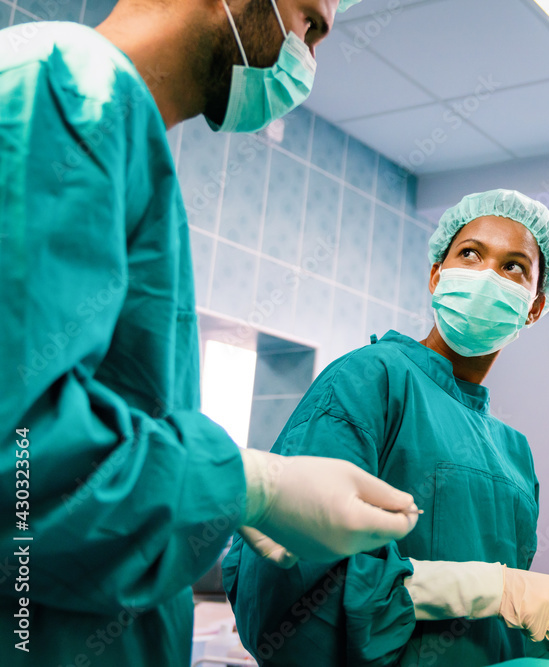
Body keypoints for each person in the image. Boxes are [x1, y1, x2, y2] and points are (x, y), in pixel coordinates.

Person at [0, 1, 417, 665]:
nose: (309, 54)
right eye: (308, 23)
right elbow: (18, 454)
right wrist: (246, 486)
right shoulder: (66, 90)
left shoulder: (104, 120)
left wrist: (220, 494)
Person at [223, 189, 549, 666]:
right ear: (436, 276)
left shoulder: (514, 454)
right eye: (470, 253)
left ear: (534, 307)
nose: (488, 276)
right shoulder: (370, 379)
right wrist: (491, 588)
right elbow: (291, 581)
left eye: (514, 267)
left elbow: (492, 636)